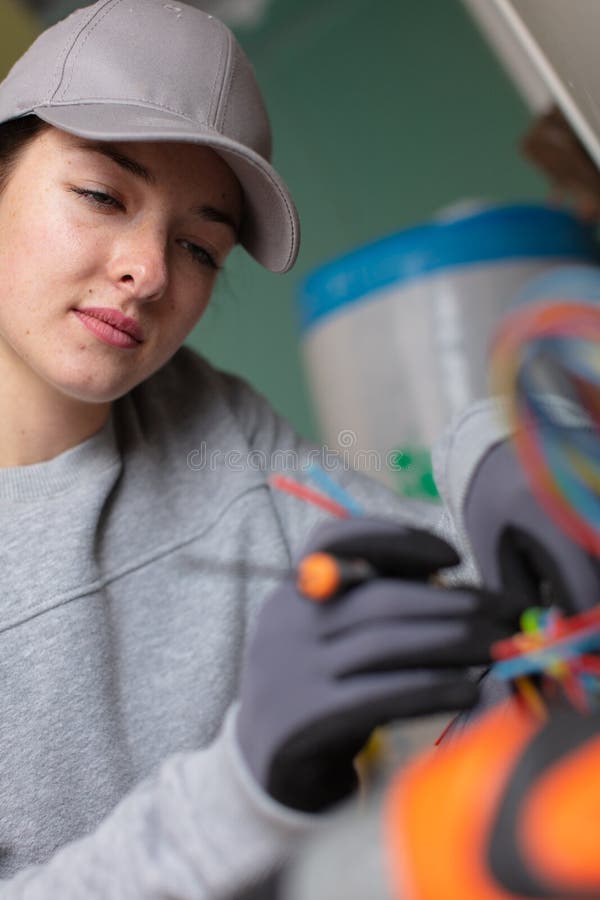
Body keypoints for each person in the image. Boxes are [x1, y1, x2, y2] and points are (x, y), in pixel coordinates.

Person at [0, 1, 539, 897]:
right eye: (102, 195)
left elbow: (445, 580)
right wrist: (248, 784)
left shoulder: (207, 418)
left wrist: (508, 460)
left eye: (200, 246)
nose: (150, 271)